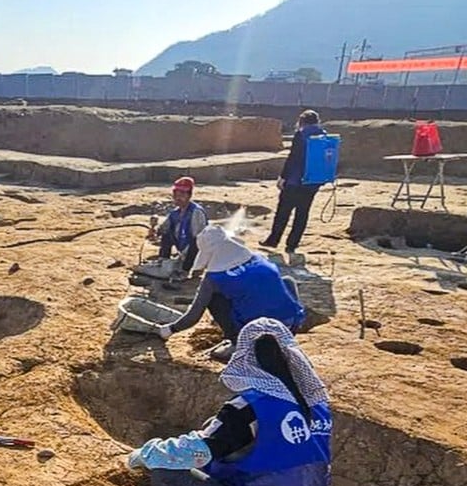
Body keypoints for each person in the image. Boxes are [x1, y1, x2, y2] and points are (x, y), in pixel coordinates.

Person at [126, 318, 332, 486]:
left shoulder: (249, 409)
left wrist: (145, 454)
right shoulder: (316, 405)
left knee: (167, 473)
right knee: (232, 450)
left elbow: (196, 451)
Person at [154, 225, 305, 362]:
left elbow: (194, 316)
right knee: (286, 281)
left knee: (214, 299)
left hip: (257, 335)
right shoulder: (259, 259)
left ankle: (238, 343)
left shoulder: (213, 279)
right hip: (288, 327)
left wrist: (169, 330)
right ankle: (287, 331)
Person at [261, 110, 326, 254]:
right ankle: (292, 245)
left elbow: (293, 158)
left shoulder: (301, 135)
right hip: (312, 182)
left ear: (301, 121)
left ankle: (273, 240)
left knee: (283, 212)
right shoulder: (324, 136)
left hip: (295, 181)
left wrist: (283, 177)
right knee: (302, 214)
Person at [138, 176, 208, 279]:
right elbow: (163, 229)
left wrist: (185, 256)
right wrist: (154, 231)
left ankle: (185, 271)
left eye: (182, 195)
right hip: (183, 247)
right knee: (167, 234)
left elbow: (200, 238)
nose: (178, 198)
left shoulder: (196, 212)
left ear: (189, 195)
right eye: (176, 195)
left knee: (196, 242)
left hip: (196, 252)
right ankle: (162, 261)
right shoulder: (175, 213)